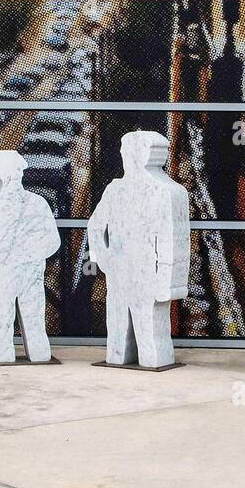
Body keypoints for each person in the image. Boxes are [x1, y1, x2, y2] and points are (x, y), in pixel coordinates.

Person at [87, 129, 190, 369]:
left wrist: (170, 282)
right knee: (118, 329)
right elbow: (94, 226)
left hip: (149, 276)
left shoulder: (166, 192)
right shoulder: (115, 190)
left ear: (142, 155)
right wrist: (102, 258)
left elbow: (174, 242)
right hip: (120, 274)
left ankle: (150, 360)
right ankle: (119, 356)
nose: (123, 156)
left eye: (126, 152)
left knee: (150, 335)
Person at [0, 147, 61, 363]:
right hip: (15, 273)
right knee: (17, 319)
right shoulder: (31, 203)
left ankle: (19, 355)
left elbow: (51, 242)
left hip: (16, 273)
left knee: (12, 319)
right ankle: (13, 355)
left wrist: (21, 253)